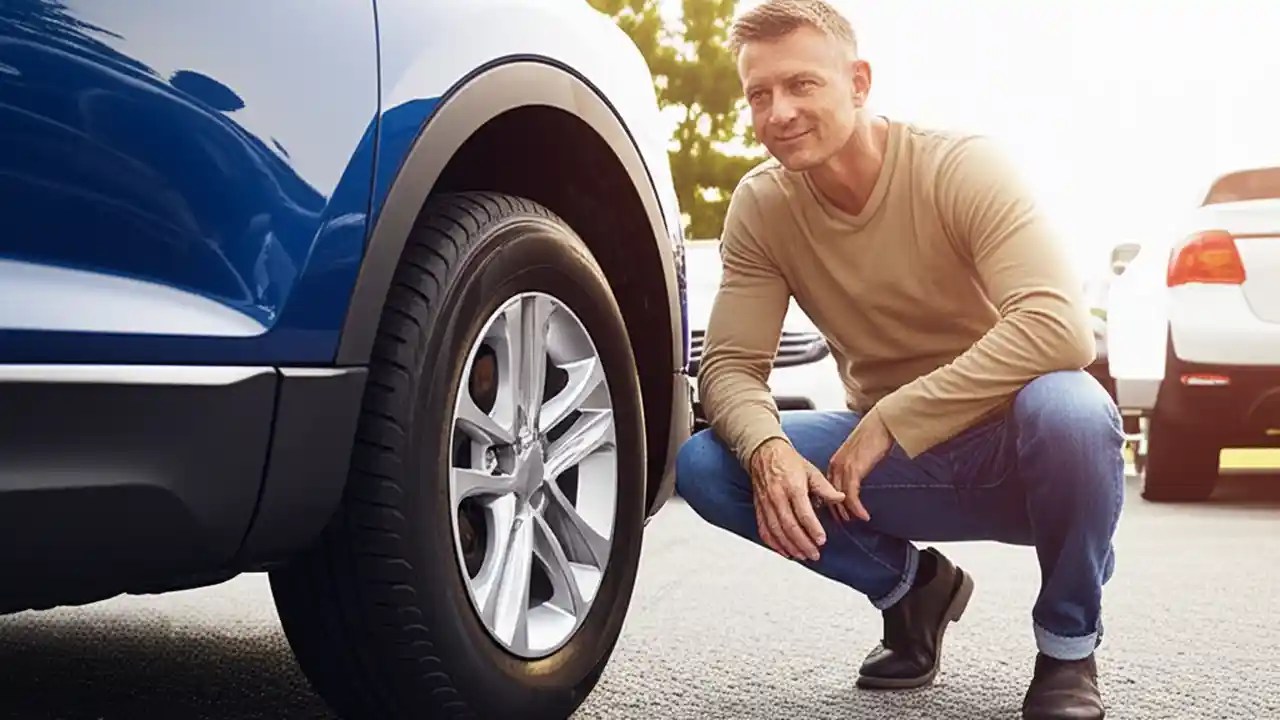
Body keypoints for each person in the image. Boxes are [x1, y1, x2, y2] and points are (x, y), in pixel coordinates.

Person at [674, 1, 1125, 719]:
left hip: (1023, 450)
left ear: (858, 81)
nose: (778, 111)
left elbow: (1058, 326)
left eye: (801, 85)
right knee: (708, 465)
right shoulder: (761, 206)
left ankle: (1068, 647)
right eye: (759, 94)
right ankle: (915, 592)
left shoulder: (960, 166)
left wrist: (893, 415)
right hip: (890, 471)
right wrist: (767, 449)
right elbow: (728, 367)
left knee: (1073, 408)